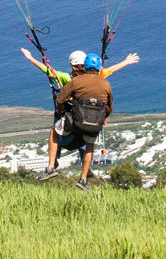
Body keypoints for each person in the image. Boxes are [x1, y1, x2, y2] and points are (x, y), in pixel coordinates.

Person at [44, 51, 118, 189]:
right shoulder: (105, 85)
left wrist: (62, 113)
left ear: (85, 66)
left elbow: (60, 100)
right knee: (90, 145)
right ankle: (83, 179)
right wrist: (101, 119)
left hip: (76, 123)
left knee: (54, 131)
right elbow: (109, 107)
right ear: (98, 68)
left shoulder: (76, 81)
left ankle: (50, 167)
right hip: (94, 125)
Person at [20, 45, 140, 85]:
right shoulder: (98, 75)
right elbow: (112, 69)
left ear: (72, 66)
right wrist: (126, 62)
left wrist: (30, 58)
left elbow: (47, 70)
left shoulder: (67, 78)